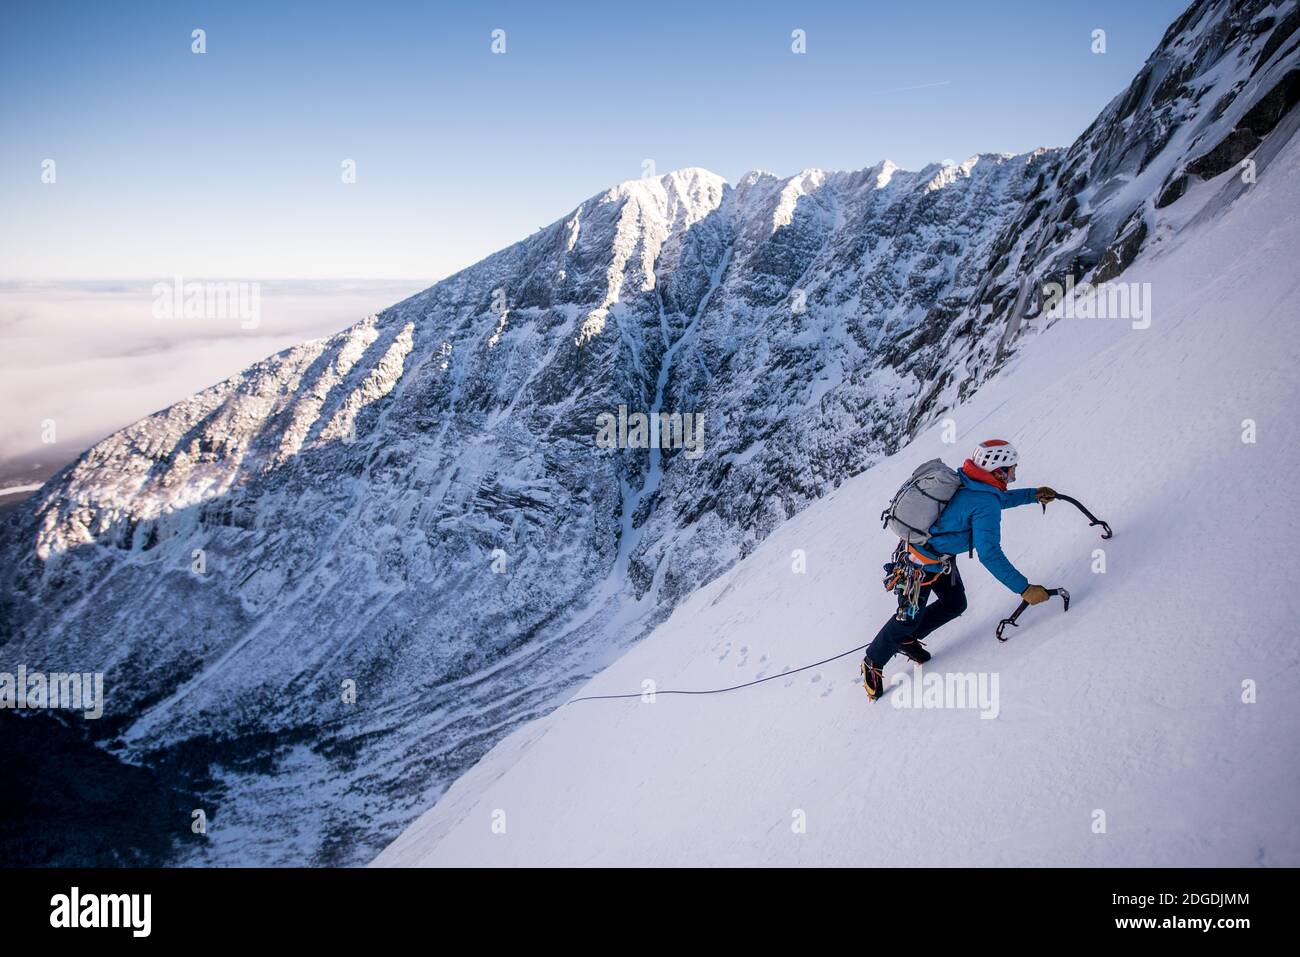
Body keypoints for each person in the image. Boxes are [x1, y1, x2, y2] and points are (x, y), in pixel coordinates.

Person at [862, 439, 1056, 700]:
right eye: (1011, 469)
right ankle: (872, 661)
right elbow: (990, 553)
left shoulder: (972, 480)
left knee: (954, 604)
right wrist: (1024, 588)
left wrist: (1032, 495)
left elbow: (997, 499)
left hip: (934, 558)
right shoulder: (984, 500)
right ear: (997, 470)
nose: (1013, 474)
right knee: (907, 617)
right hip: (918, 565)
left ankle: (908, 639)